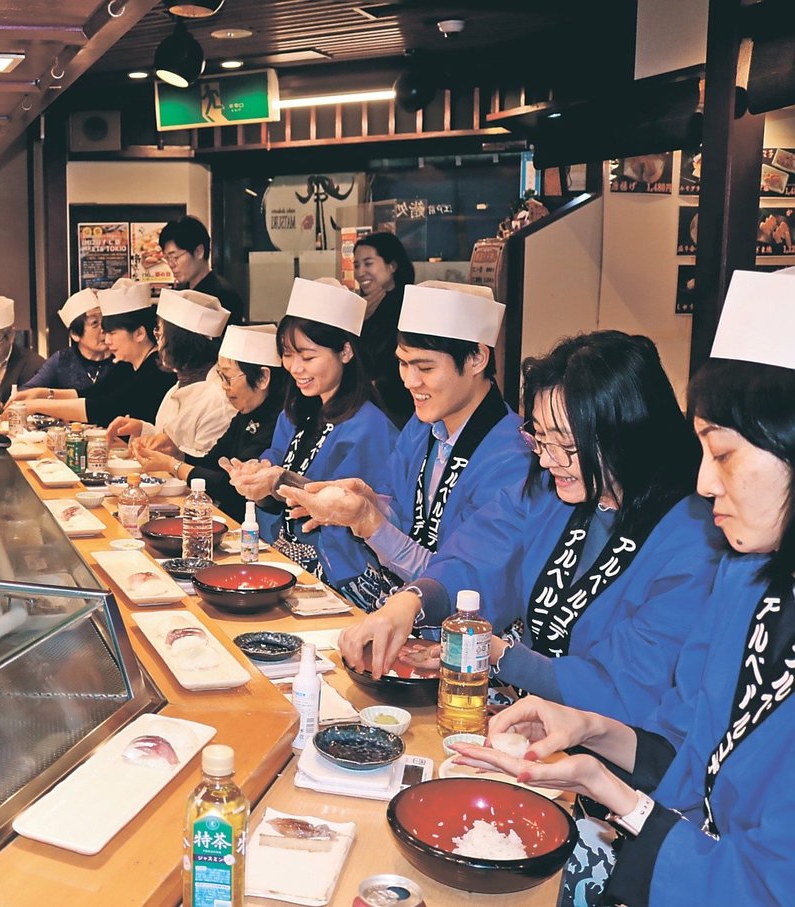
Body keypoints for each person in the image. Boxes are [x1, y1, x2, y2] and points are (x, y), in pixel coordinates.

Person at [451, 271, 795, 905]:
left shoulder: (701, 541)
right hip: (662, 841)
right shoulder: (749, 576)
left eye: (724, 454)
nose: (705, 483)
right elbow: (680, 745)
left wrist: (616, 793)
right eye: (540, 440)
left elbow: (763, 878)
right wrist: (586, 730)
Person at [341, 330, 723, 725]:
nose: (546, 460)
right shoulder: (550, 491)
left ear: (628, 433)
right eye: (539, 438)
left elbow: (632, 682)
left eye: (567, 445)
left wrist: (498, 655)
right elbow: (478, 558)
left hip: (605, 744)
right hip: (528, 721)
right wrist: (411, 602)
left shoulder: (693, 539)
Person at [279, 281, 530, 612]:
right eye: (403, 363)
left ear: (476, 359)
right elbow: (404, 513)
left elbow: (464, 585)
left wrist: (369, 521)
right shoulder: (422, 426)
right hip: (398, 598)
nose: (410, 381)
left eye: (425, 368)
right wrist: (367, 501)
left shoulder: (513, 457)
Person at [224, 277, 397, 589]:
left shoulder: (369, 427)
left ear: (345, 352)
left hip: (339, 576)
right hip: (282, 556)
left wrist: (278, 482)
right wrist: (256, 476)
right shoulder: (295, 412)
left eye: (308, 356)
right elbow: (274, 461)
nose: (295, 367)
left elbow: (346, 509)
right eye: (288, 355)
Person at [134, 323, 286, 522]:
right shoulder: (245, 413)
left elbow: (231, 486)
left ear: (262, 378)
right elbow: (213, 461)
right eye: (221, 376)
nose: (224, 386)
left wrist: (173, 465)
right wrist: (177, 453)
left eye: (228, 377)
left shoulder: (280, 420)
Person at [9, 280, 175, 427]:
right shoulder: (127, 365)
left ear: (139, 333)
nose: (107, 340)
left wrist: (37, 405)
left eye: (112, 333)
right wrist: (42, 393)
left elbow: (103, 408)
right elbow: (92, 393)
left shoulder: (157, 370)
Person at [107, 287, 236, 464]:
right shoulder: (181, 383)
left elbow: (203, 466)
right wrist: (142, 429)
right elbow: (171, 440)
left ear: (180, 342)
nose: (158, 344)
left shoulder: (217, 400)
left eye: (160, 334)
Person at [353, 232, 416, 426]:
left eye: (368, 263)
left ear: (392, 266)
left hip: (395, 412)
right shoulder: (361, 306)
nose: (360, 272)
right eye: (356, 265)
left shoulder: (408, 305)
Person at [19, 287, 113, 393]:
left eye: (104, 321)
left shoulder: (119, 357)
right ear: (75, 334)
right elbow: (27, 392)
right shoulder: (62, 360)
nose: (103, 329)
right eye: (95, 323)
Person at [160, 216, 244, 326]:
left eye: (175, 257)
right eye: (167, 258)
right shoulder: (180, 292)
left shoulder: (224, 296)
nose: (171, 265)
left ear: (199, 252)